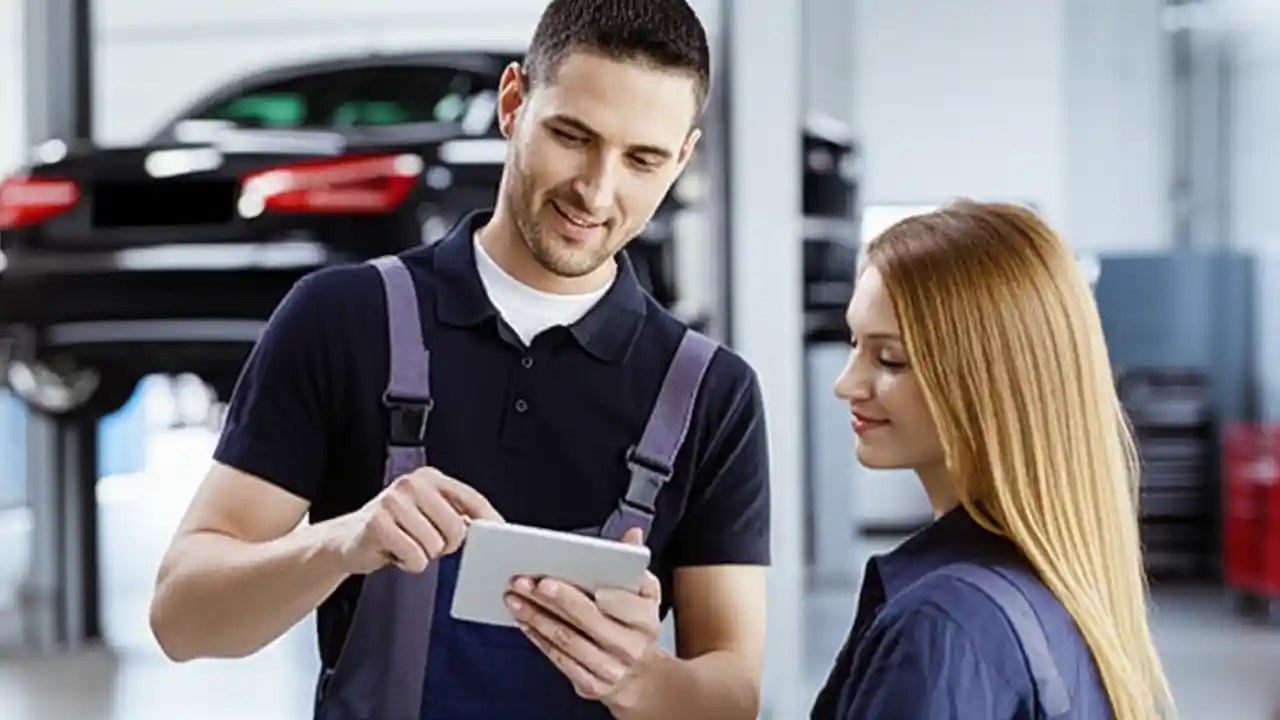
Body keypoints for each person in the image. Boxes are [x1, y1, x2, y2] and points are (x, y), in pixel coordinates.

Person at [147, 1, 771, 718]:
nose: (597, 191)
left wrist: (638, 678)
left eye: (642, 160)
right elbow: (181, 617)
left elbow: (733, 696)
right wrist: (344, 541)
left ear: (683, 159)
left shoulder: (710, 393)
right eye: (572, 135)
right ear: (513, 102)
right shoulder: (343, 320)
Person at [809, 200, 1176, 719]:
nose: (846, 384)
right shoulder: (1061, 586)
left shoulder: (943, 627)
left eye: (888, 358)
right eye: (854, 344)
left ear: (987, 383)